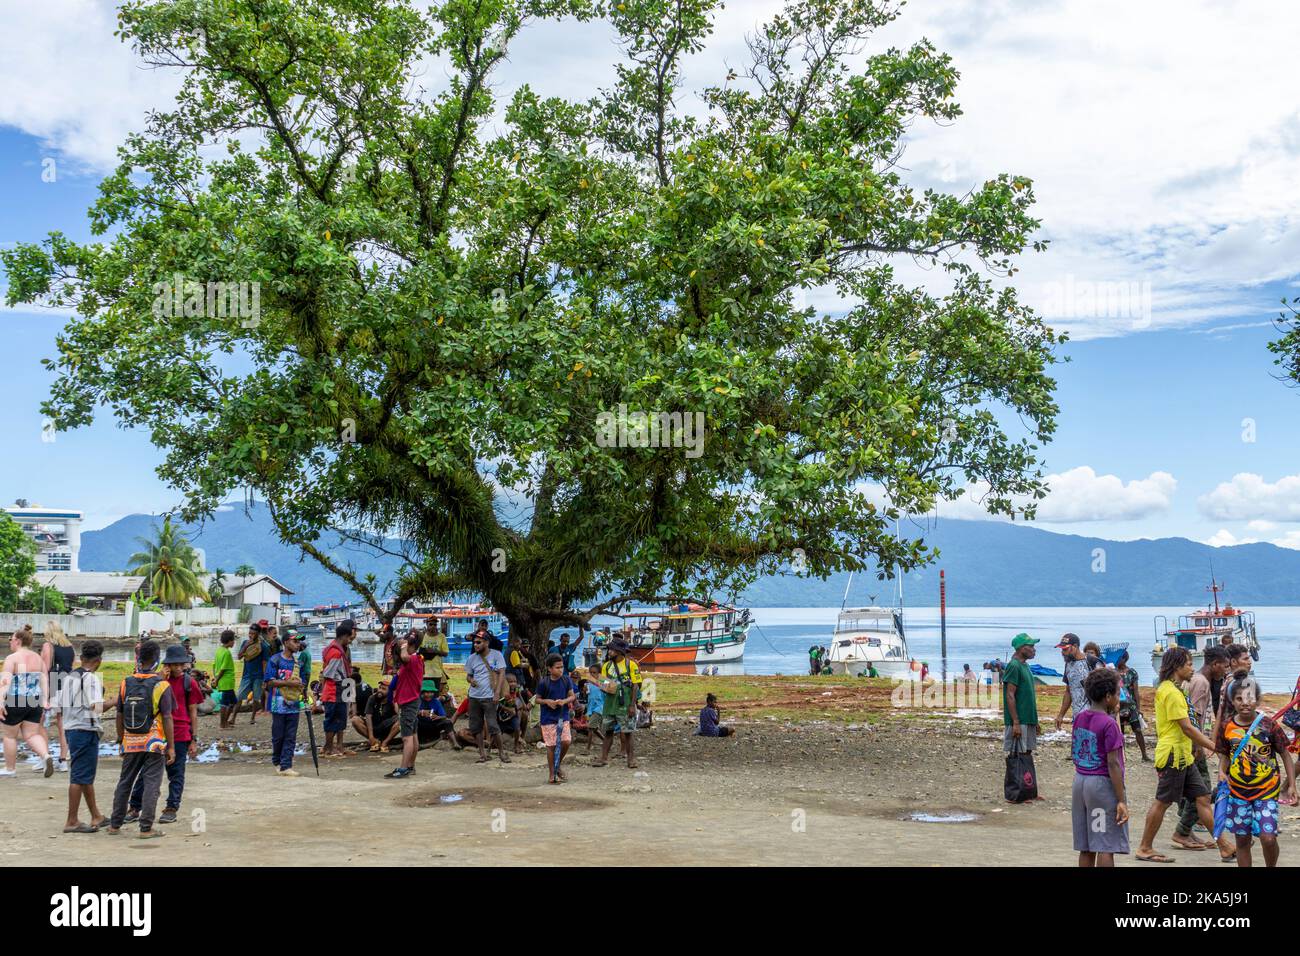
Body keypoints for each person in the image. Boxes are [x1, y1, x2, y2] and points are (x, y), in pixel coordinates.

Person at [1134, 646, 1234, 863]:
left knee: (1203, 797)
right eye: (1189, 663)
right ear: (1177, 666)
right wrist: (1213, 746)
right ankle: (1144, 847)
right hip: (1172, 755)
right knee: (1163, 801)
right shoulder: (1170, 691)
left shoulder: (1176, 689)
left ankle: (1224, 846)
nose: (1192, 667)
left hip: (1184, 756)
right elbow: (1187, 727)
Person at [1216, 670, 1299, 867]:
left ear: (1257, 699)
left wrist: (1292, 785)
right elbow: (1225, 754)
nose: (1245, 703)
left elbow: (1285, 754)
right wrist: (1221, 771)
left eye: (1249, 698)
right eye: (1239, 698)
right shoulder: (1227, 727)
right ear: (1232, 701)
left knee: (1268, 838)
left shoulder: (1268, 725)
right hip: (1238, 792)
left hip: (1266, 790)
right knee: (1242, 841)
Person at [128, 644, 204, 822]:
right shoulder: (158, 680)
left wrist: (193, 739)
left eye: (180, 665)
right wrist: (160, 679)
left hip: (180, 733)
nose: (178, 668)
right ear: (167, 665)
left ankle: (171, 807)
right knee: (146, 773)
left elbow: (193, 712)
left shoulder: (189, 683)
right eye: (174, 664)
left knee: (176, 773)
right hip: (156, 733)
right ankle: (134, 807)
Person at [106, 640, 175, 838]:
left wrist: (121, 739)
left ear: (138, 658)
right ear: (157, 659)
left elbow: (119, 714)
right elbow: (168, 717)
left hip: (130, 739)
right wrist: (170, 747)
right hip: (154, 742)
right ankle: (146, 827)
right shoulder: (162, 685)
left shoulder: (125, 682)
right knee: (152, 784)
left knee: (125, 782)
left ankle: (115, 824)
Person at [1173, 645, 1229, 851]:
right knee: (1203, 789)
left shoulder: (1196, 679)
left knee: (1194, 790)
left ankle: (1186, 830)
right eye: (1224, 666)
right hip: (1193, 743)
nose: (1225, 670)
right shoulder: (1202, 683)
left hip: (1191, 741)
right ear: (1214, 665)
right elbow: (1193, 716)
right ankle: (1183, 830)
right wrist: (1198, 745)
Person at [1070, 668, 1129, 866]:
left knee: (1086, 845)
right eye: (1117, 693)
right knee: (1105, 844)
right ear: (1107, 696)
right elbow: (1113, 763)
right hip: (1101, 786)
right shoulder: (1109, 724)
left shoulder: (1079, 717)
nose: (1118, 698)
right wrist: (1121, 800)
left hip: (1080, 782)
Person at [58, 640, 113, 832]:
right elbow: (96, 707)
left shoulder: (69, 677)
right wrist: (114, 701)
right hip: (85, 730)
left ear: (81, 658)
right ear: (99, 660)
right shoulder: (91, 679)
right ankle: (71, 820)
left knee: (84, 775)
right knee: (79, 776)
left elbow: (60, 706)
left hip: (71, 728)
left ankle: (96, 815)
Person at [0, 625, 54, 778]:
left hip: (15, 699)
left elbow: (5, 681)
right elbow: (44, 679)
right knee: (31, 734)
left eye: (11, 639)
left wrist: (0, 701)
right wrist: (45, 700)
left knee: (10, 736)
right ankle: (45, 755)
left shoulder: (12, 658)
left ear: (17, 641)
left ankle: (10, 769)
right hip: (34, 700)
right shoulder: (37, 658)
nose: (9, 642)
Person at [464, 630, 510, 765]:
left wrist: (497, 692)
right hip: (474, 696)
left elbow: (502, 674)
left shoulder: (497, 655)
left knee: (492, 725)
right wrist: (470, 680)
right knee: (475, 726)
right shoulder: (472, 658)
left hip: (489, 696)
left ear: (486, 642)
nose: (475, 645)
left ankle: (502, 752)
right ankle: (482, 754)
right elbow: (468, 675)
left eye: (478, 642)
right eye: (474, 643)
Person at [594, 639, 641, 770]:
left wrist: (632, 705)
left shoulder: (631, 665)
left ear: (620, 651)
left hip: (625, 702)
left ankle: (631, 759)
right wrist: (602, 685)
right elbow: (603, 684)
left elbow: (635, 686)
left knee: (628, 732)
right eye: (609, 649)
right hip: (610, 703)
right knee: (608, 731)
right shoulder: (606, 666)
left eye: (612, 649)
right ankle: (603, 757)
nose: (609, 652)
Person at [385, 631, 424, 778]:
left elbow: (404, 656)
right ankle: (410, 766)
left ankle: (403, 768)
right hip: (410, 702)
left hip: (409, 703)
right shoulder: (416, 660)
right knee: (413, 735)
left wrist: (403, 646)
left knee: (407, 737)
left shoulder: (413, 659)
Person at [266, 630, 305, 776]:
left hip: (294, 704)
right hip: (278, 703)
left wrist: (301, 687)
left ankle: (286, 765)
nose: (297, 644)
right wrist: (288, 683)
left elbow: (302, 682)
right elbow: (269, 682)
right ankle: (277, 761)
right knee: (278, 735)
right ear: (286, 642)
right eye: (295, 641)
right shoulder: (275, 660)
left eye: (299, 641)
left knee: (291, 735)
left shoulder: (298, 662)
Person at [534, 653, 576, 783]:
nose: (561, 670)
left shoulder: (566, 680)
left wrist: (564, 701)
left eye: (562, 667)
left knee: (566, 741)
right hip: (548, 718)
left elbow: (572, 696)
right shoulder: (544, 682)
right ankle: (552, 773)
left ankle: (557, 764)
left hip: (563, 715)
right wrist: (548, 702)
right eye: (557, 667)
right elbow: (537, 699)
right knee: (551, 746)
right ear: (550, 668)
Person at [1003, 634, 1042, 771]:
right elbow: (1010, 694)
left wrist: (1035, 721)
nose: (1034, 649)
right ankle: (1017, 789)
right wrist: (1016, 722)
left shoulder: (1025, 666)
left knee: (1027, 754)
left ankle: (1027, 788)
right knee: (1017, 756)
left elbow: (1028, 695)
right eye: (1030, 646)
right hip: (1019, 720)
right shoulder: (1014, 666)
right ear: (1020, 648)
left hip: (1028, 718)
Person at [41, 621, 75, 772]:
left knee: (41, 723)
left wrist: (45, 695)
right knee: (63, 724)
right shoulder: (70, 646)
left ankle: (44, 756)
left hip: (54, 684)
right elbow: (71, 667)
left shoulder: (48, 646)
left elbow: (45, 670)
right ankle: (63, 760)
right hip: (69, 685)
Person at [320, 619, 355, 758]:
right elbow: (328, 673)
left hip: (343, 684)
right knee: (333, 719)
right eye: (350, 636)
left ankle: (337, 746)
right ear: (345, 636)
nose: (351, 638)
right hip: (336, 687)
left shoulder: (339, 649)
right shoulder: (336, 652)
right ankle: (329, 747)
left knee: (341, 718)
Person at [1114, 651, 1150, 763]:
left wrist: (1138, 708)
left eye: (1119, 658)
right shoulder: (1113, 672)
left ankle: (1144, 755)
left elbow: (1136, 691)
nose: (1117, 661)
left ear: (1124, 659)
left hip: (1131, 705)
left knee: (1138, 730)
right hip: (1118, 705)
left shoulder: (1132, 673)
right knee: (1120, 732)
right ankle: (1122, 756)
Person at [1054, 633, 1089, 731]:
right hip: (1077, 716)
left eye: (1065, 649)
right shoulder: (1068, 664)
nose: (1063, 652)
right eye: (1062, 649)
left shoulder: (1091, 661)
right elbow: (1068, 691)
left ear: (1075, 647)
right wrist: (1061, 715)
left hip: (1094, 716)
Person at [355, 677, 401, 752]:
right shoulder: (372, 698)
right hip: (373, 727)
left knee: (402, 720)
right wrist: (371, 736)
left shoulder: (393, 699)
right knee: (355, 720)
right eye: (380, 688)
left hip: (387, 728)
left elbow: (398, 713)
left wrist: (394, 699)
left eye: (384, 689)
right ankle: (375, 741)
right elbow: (368, 716)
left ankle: (385, 742)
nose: (380, 691)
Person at [236, 621, 268, 724]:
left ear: (258, 634)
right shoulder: (245, 643)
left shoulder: (264, 646)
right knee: (239, 697)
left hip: (258, 676)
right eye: (250, 633)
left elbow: (264, 663)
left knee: (256, 698)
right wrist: (246, 646)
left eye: (253, 633)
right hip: (246, 675)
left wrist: (264, 679)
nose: (251, 635)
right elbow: (239, 656)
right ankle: (233, 717)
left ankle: (253, 717)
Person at [416, 679, 454, 745]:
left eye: (431, 692)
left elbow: (444, 715)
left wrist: (437, 717)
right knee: (413, 721)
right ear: (422, 692)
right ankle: (416, 741)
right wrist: (421, 712)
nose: (429, 694)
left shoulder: (436, 701)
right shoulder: (417, 701)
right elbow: (410, 713)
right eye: (427, 692)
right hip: (420, 726)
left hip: (433, 725)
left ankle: (454, 742)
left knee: (448, 722)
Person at [212, 629, 238, 728]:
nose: (234, 642)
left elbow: (214, 665)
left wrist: (215, 678)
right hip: (226, 681)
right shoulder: (227, 653)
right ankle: (222, 724)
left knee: (233, 702)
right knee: (225, 703)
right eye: (233, 640)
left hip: (224, 681)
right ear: (230, 641)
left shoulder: (219, 650)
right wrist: (217, 680)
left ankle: (225, 722)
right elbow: (222, 669)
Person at [584, 664, 607, 754]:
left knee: (590, 728)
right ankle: (606, 741)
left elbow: (609, 691)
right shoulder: (588, 683)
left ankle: (588, 748)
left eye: (594, 672)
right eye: (591, 672)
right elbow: (587, 694)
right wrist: (585, 690)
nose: (592, 674)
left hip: (600, 707)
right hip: (591, 707)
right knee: (594, 727)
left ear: (600, 673)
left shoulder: (604, 682)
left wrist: (599, 684)